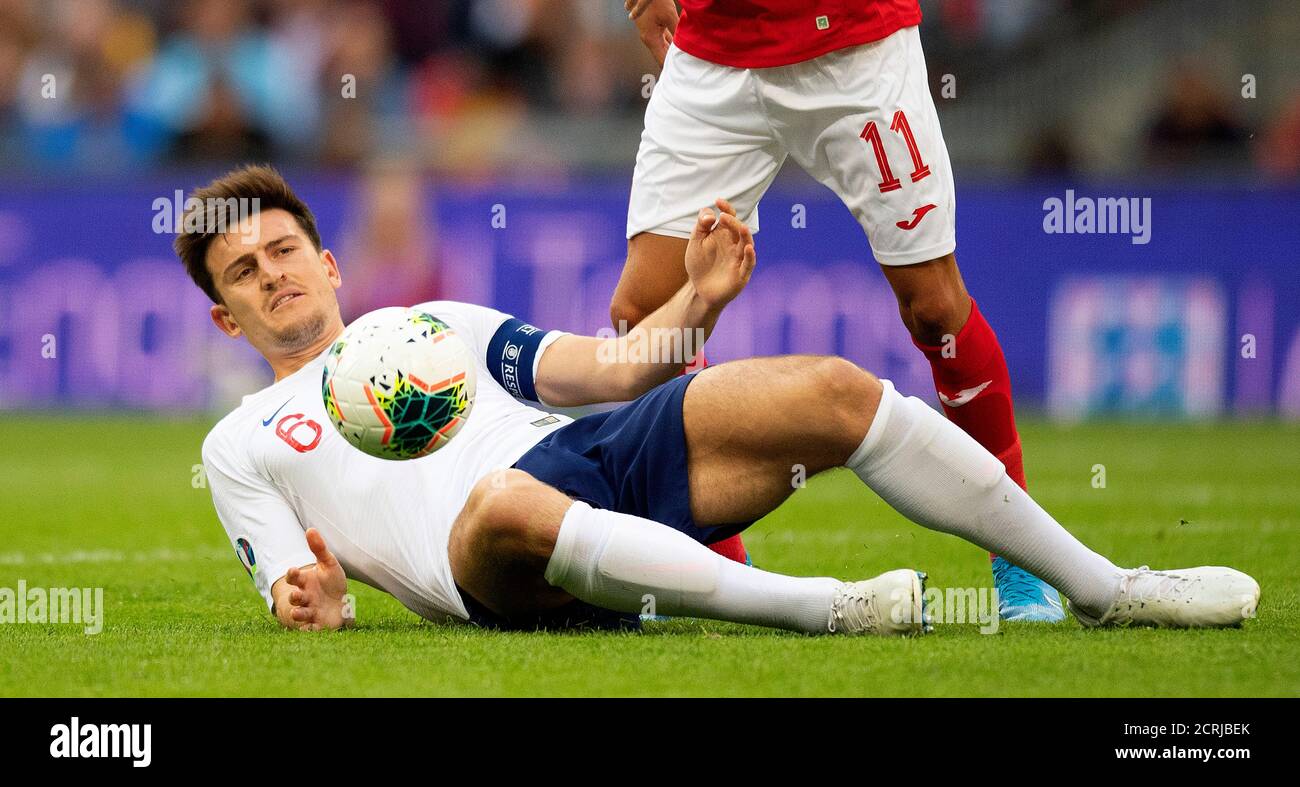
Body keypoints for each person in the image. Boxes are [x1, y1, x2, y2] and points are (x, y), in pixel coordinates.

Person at [180, 165, 1259, 634]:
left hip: (595, 459)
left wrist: (696, 301)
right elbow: (294, 586)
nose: (273, 273)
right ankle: (824, 606)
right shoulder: (238, 443)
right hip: (489, 562)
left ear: (327, 260)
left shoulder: (430, 331)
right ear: (228, 319)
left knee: (835, 392)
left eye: (284, 250)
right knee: (504, 507)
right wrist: (312, 600)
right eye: (245, 272)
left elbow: (606, 373)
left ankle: (1105, 586)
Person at [616, 0, 1059, 618]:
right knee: (647, 317)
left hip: (855, 47)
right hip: (714, 52)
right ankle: (720, 566)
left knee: (933, 309)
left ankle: (1022, 559)